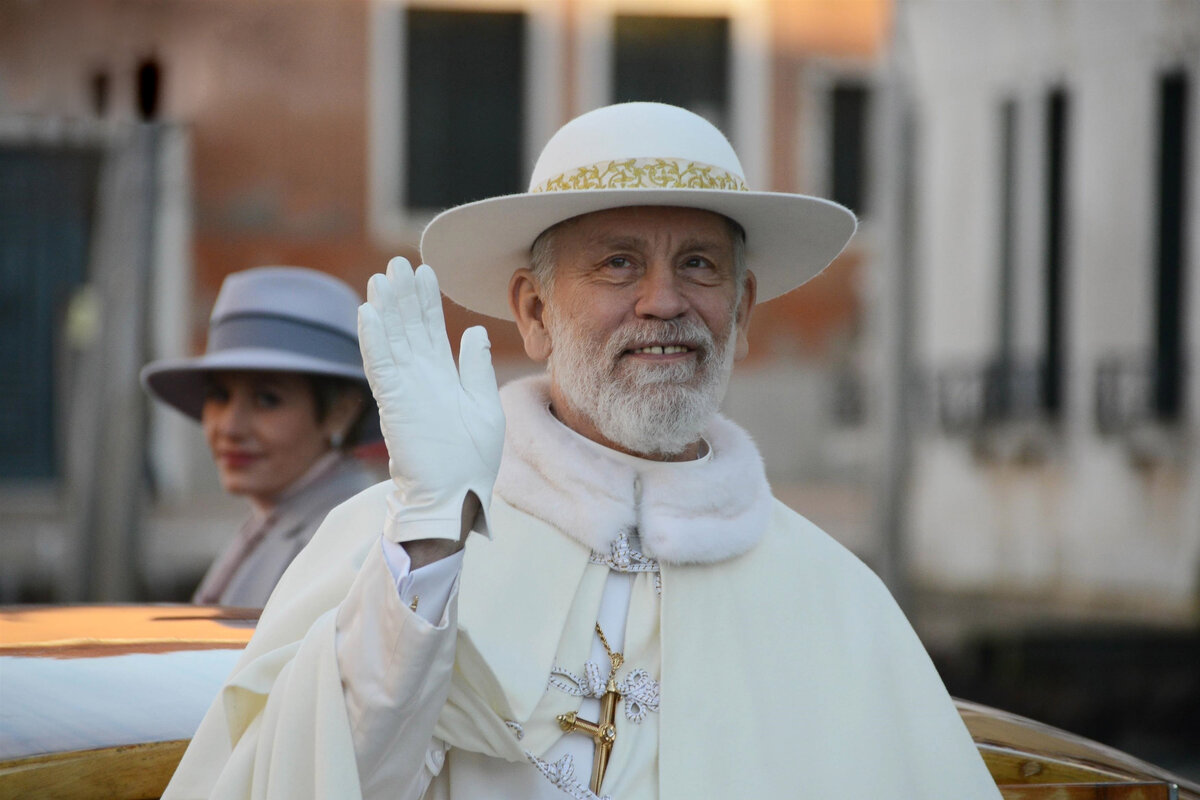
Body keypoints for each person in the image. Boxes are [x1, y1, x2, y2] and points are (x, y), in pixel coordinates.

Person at [165, 103, 1001, 799]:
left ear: (741, 310)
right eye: (617, 263)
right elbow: (315, 778)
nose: (663, 301)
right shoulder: (393, 543)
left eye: (699, 264)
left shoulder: (842, 605)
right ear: (532, 311)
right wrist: (429, 535)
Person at [141, 266, 382, 608]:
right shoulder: (276, 521)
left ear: (340, 412)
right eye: (220, 396)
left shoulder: (346, 541)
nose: (230, 427)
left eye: (268, 399)